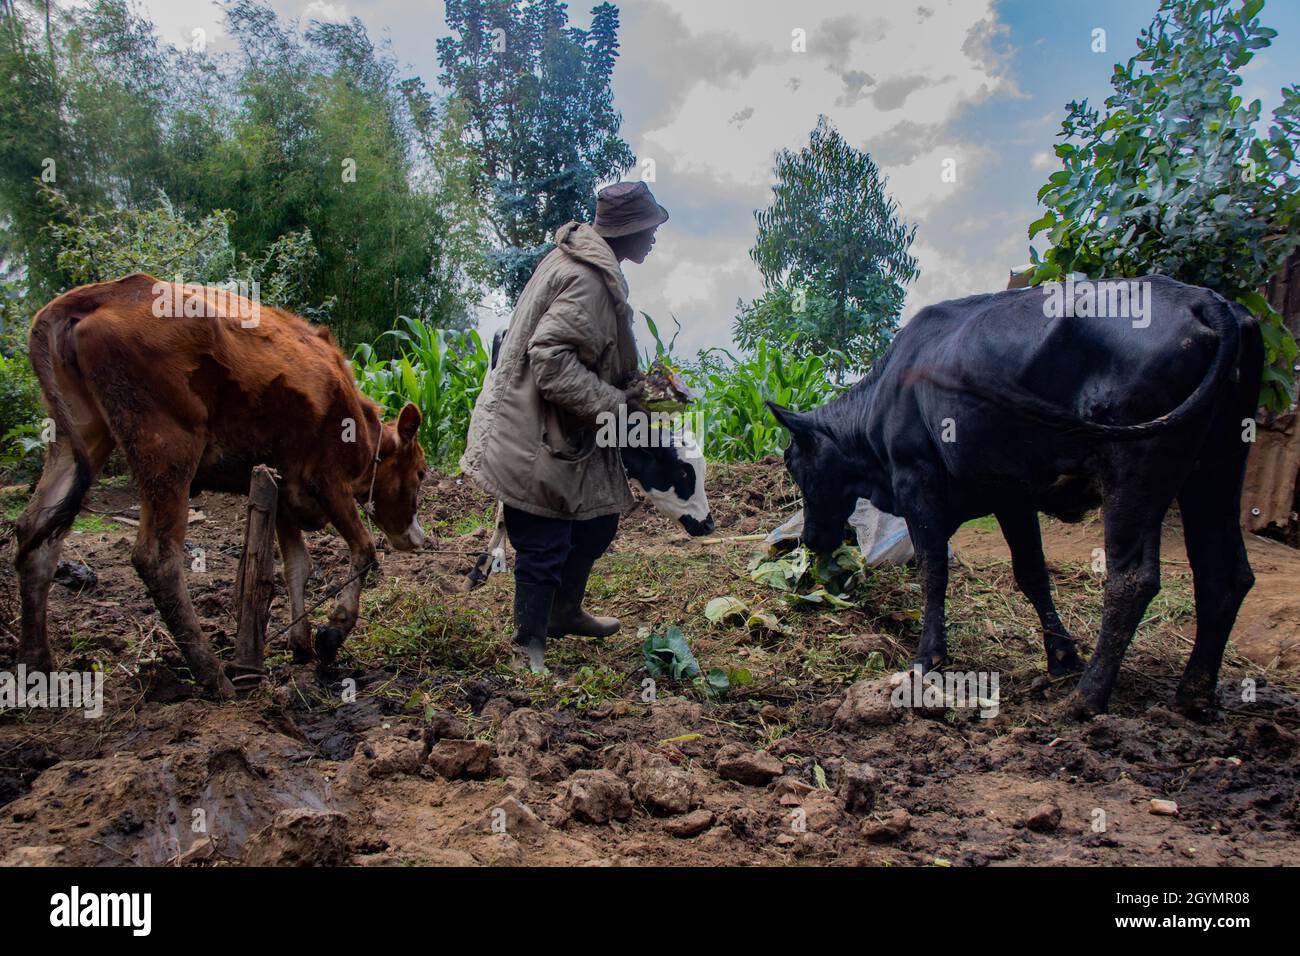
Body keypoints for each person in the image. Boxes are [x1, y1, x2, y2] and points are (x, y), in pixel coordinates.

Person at [460, 181, 669, 672]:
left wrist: (634, 386)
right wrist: (618, 403)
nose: (656, 238)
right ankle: (527, 643)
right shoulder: (589, 279)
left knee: (598, 523)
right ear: (629, 230)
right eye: (651, 228)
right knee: (544, 537)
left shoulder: (586, 264)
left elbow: (582, 350)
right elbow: (552, 363)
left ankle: (563, 610)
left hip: (561, 427)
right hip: (533, 432)